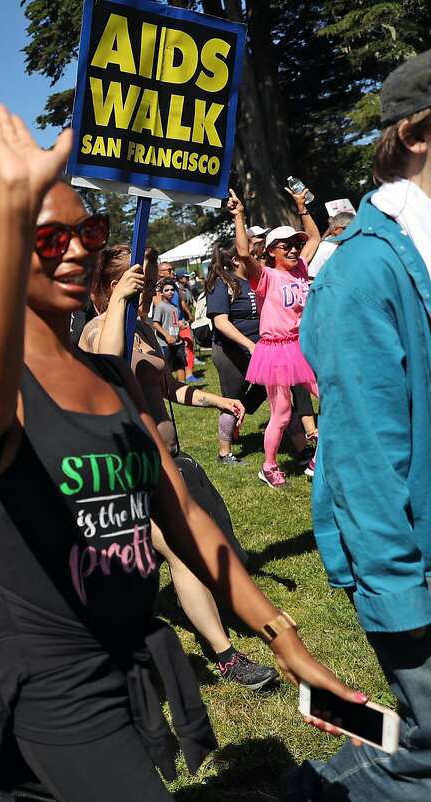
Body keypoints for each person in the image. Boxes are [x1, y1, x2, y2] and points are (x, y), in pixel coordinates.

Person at [0, 104, 361, 801]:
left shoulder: (110, 377)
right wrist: (11, 206)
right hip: (52, 674)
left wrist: (283, 637)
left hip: (126, 650)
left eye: (88, 232)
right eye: (47, 239)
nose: (76, 251)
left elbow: (184, 516)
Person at [293, 48, 431, 802]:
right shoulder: (360, 273)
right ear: (416, 135)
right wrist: (401, 601)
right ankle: (325, 787)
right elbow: (364, 459)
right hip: (412, 561)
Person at [83, 245, 278, 691]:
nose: (151, 293)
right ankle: (226, 655)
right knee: (179, 552)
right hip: (131, 469)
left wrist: (215, 400)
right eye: (142, 285)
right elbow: (110, 368)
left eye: (151, 285)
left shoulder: (143, 328)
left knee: (186, 550)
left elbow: (167, 387)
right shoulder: (97, 332)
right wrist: (118, 302)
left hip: (169, 461)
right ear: (113, 286)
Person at [227, 184, 322, 487]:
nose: (293, 249)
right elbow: (244, 253)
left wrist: (302, 207)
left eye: (295, 244)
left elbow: (315, 237)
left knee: (332, 396)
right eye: (285, 246)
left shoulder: (301, 267)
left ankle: (320, 458)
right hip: (277, 350)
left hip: (301, 346)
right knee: (281, 414)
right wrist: (239, 216)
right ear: (271, 251)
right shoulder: (266, 276)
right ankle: (268, 466)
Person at [204, 243, 269, 464]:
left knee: (267, 384)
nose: (254, 258)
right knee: (232, 400)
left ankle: (239, 416)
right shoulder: (221, 283)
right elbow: (221, 322)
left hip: (259, 348)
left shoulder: (253, 280)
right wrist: (249, 345)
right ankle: (225, 453)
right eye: (248, 255)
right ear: (235, 260)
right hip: (231, 351)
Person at [306, 211, 355, 278]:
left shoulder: (347, 244)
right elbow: (312, 275)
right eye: (349, 228)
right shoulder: (327, 247)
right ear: (336, 229)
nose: (353, 231)